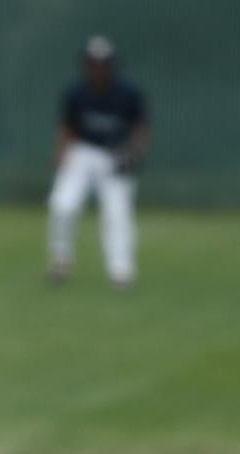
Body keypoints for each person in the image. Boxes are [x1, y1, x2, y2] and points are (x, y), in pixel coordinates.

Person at [46, 34, 151, 287]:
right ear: (86, 64)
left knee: (117, 213)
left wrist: (136, 151)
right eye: (93, 63)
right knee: (62, 205)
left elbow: (140, 126)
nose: (98, 68)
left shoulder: (128, 93)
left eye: (103, 63)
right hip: (82, 151)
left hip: (115, 153)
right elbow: (67, 126)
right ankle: (60, 260)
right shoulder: (76, 92)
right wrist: (60, 151)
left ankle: (121, 271)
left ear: (112, 64)